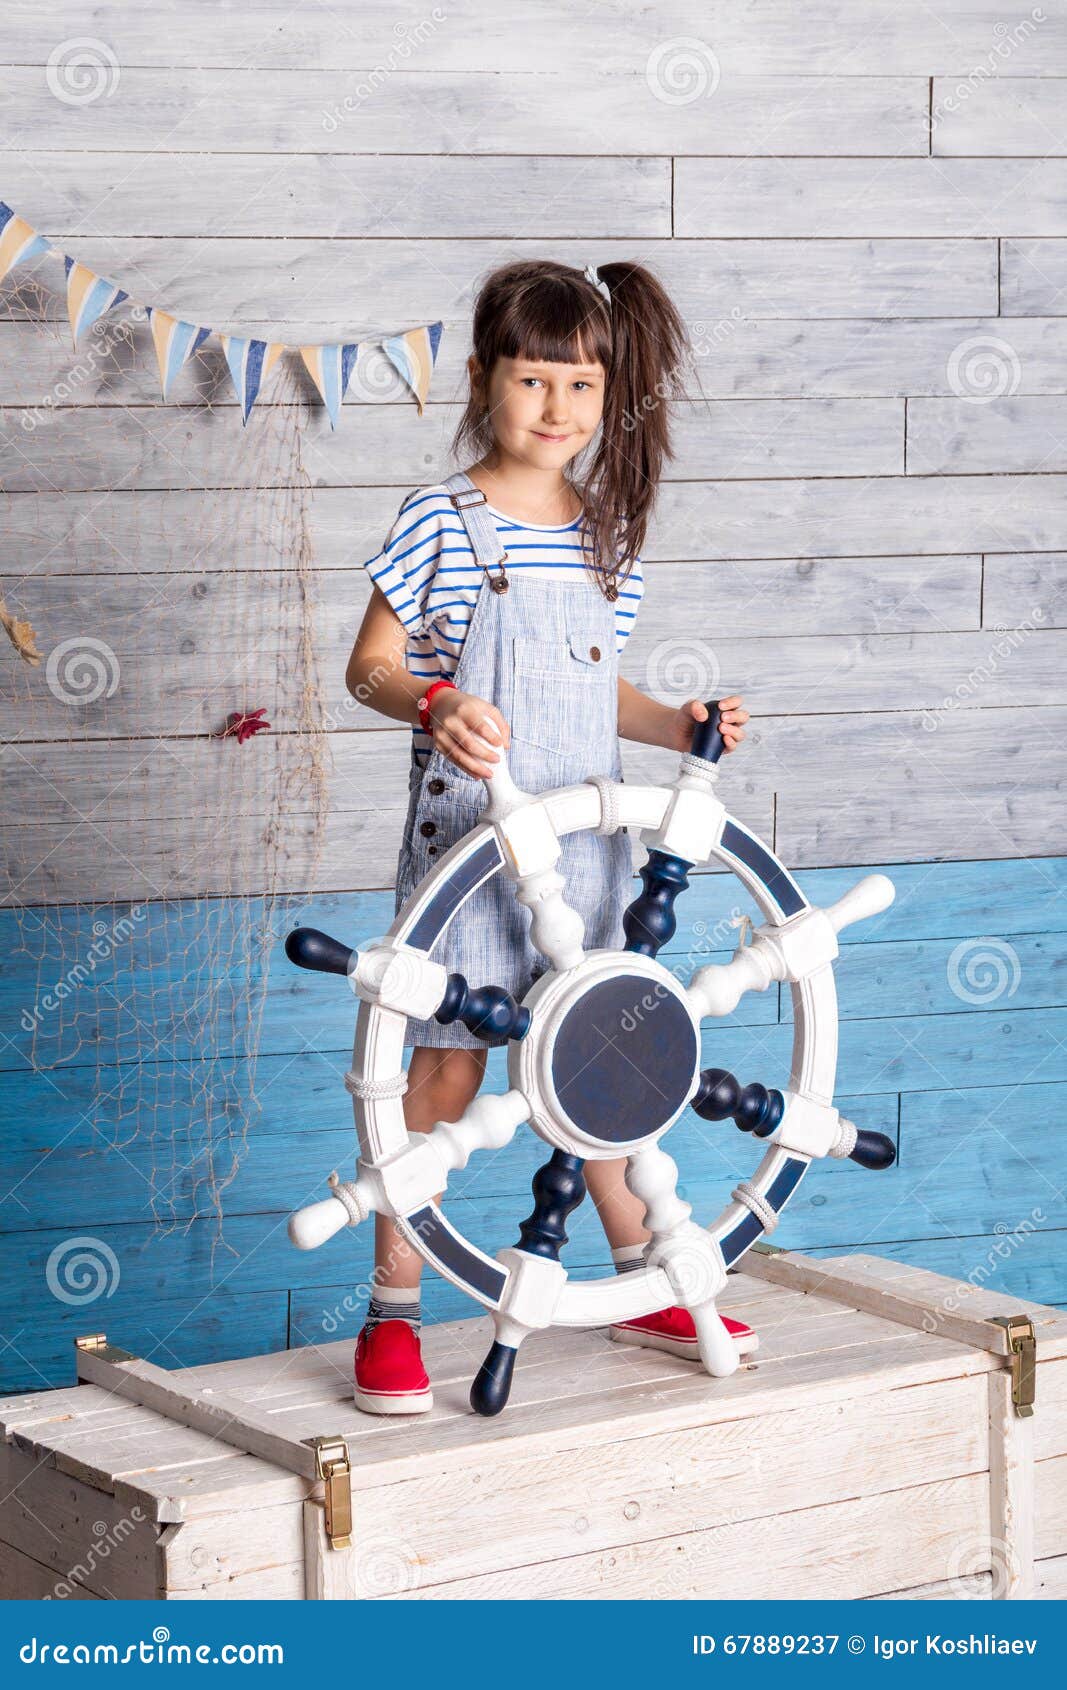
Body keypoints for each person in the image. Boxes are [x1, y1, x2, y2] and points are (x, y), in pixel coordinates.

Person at [345, 258, 751, 1413]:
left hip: (588, 848)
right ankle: (392, 1309)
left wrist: (675, 722)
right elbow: (367, 664)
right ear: (483, 380)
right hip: (472, 852)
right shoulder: (440, 518)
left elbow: (598, 687)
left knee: (605, 1065)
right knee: (439, 1071)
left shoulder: (604, 531)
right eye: (532, 381)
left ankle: (636, 1280)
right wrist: (432, 702)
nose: (557, 409)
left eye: (580, 385)